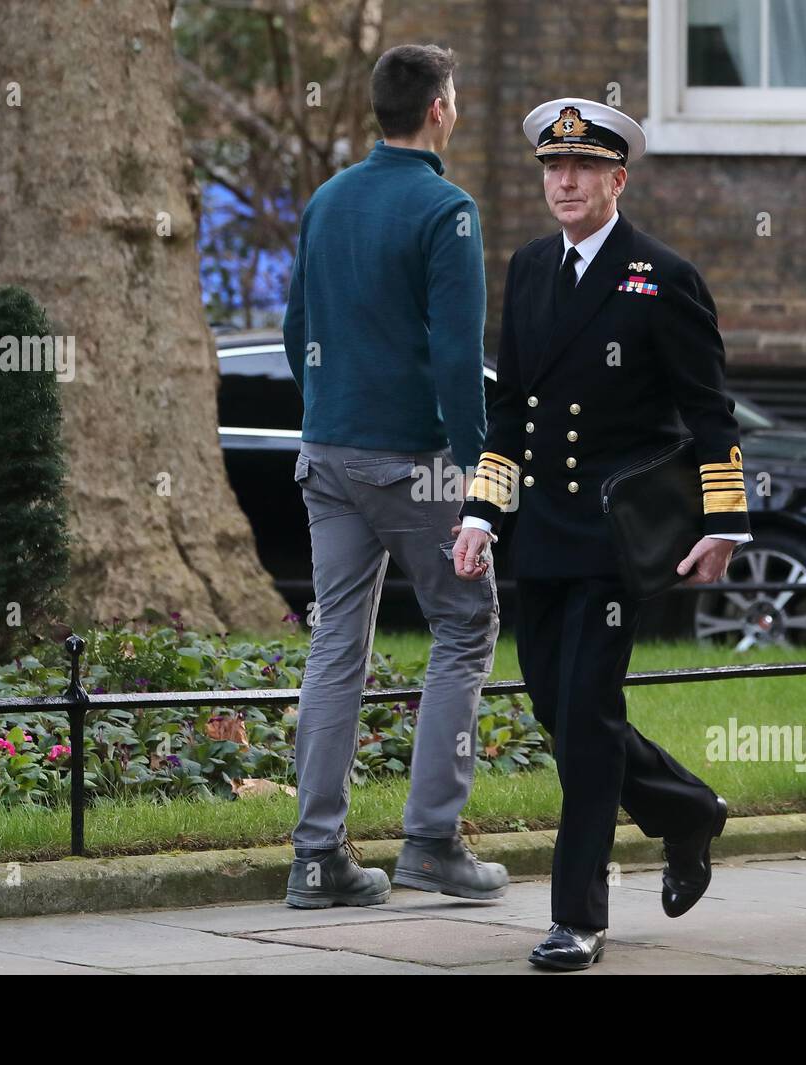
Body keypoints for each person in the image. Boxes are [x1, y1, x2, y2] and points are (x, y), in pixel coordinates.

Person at [454, 97, 753, 969]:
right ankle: (686, 809)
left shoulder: (663, 276)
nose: (566, 182)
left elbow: (709, 413)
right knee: (557, 707)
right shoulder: (529, 268)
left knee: (585, 719)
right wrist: (480, 510)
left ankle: (575, 916)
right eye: (554, 168)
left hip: (613, 541)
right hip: (538, 534)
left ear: (618, 179)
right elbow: (509, 410)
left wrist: (724, 521)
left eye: (583, 168)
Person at [281, 44, 507, 908]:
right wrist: (476, 471)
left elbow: (300, 323)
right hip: (414, 462)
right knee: (463, 625)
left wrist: (329, 414)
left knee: (338, 642)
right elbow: (456, 356)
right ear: (440, 108)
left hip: (327, 453)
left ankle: (316, 858)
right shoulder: (446, 209)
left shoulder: (327, 200)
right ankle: (433, 840)